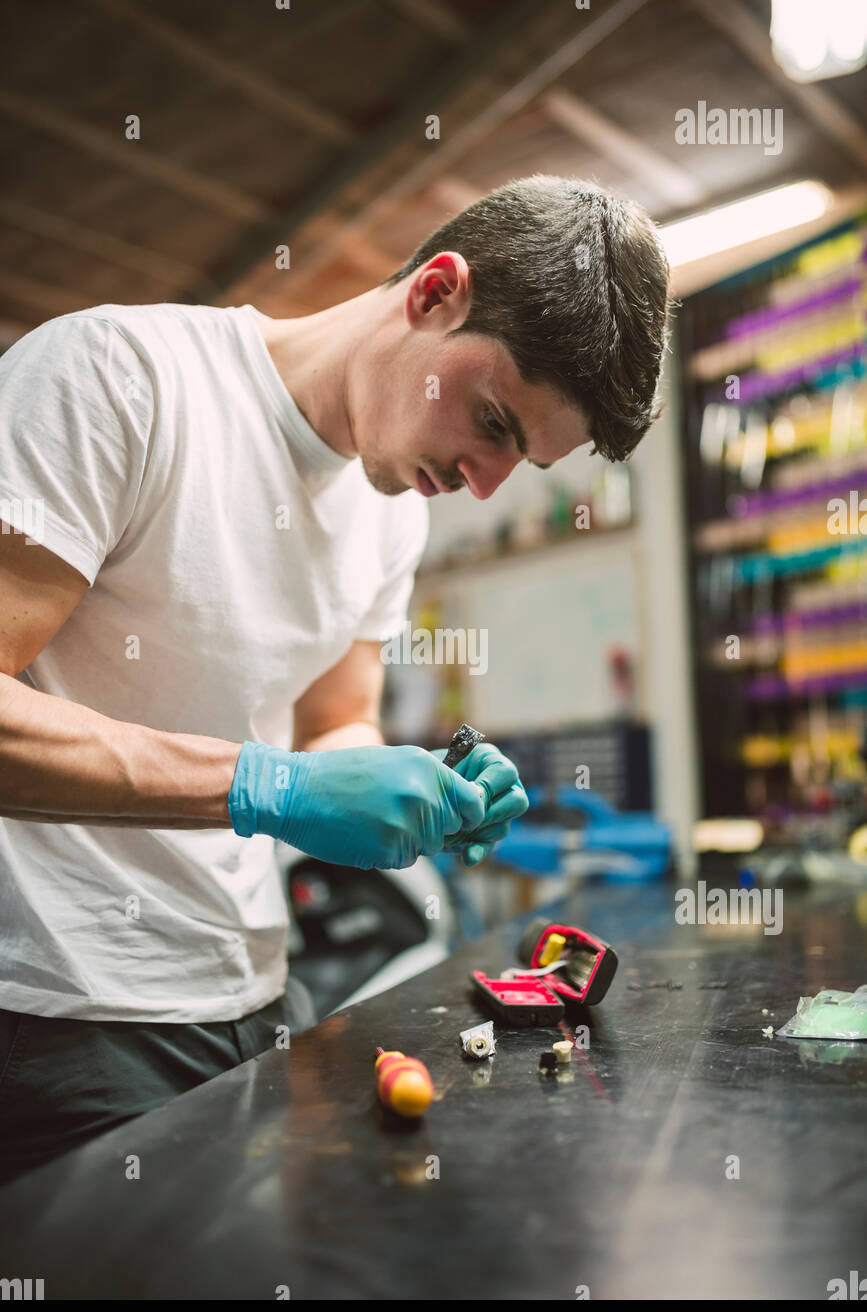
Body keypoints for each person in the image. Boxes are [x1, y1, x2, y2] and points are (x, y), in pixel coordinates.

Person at [0, 175, 670, 1181]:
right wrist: (265, 787)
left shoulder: (389, 511)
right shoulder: (118, 378)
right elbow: (282, 773)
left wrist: (425, 789)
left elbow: (336, 725)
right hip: (63, 1016)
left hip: (254, 995)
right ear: (435, 290)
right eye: (493, 421)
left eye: (521, 463)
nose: (482, 483)